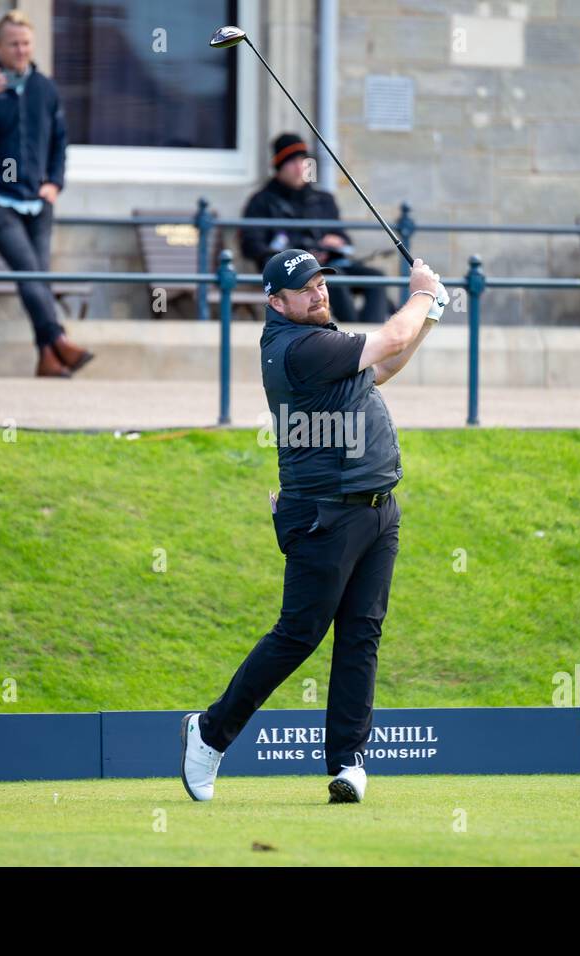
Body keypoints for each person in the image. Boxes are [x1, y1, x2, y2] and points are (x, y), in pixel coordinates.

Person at [181, 248, 447, 804]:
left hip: (376, 508)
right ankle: (209, 733)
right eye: (303, 289)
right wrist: (421, 292)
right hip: (325, 513)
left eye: (321, 283)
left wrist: (430, 315)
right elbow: (389, 341)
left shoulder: (322, 342)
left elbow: (383, 367)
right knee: (299, 634)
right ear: (276, 303)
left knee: (362, 633)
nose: (318, 293)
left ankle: (349, 762)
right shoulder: (299, 347)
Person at [0, 10, 92, 378]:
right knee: (30, 271)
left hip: (36, 199)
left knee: (36, 275)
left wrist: (54, 184)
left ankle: (47, 358)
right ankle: (58, 339)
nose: (21, 50)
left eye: (26, 43)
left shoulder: (45, 88)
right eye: (13, 43)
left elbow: (60, 142)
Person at [239, 132, 389, 324]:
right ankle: (355, 337)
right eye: (292, 162)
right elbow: (252, 245)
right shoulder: (261, 202)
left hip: (331, 263)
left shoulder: (323, 200)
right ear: (278, 166)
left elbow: (343, 237)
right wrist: (299, 255)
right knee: (333, 278)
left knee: (376, 279)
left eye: (303, 160)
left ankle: (371, 336)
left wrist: (337, 243)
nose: (299, 167)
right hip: (293, 270)